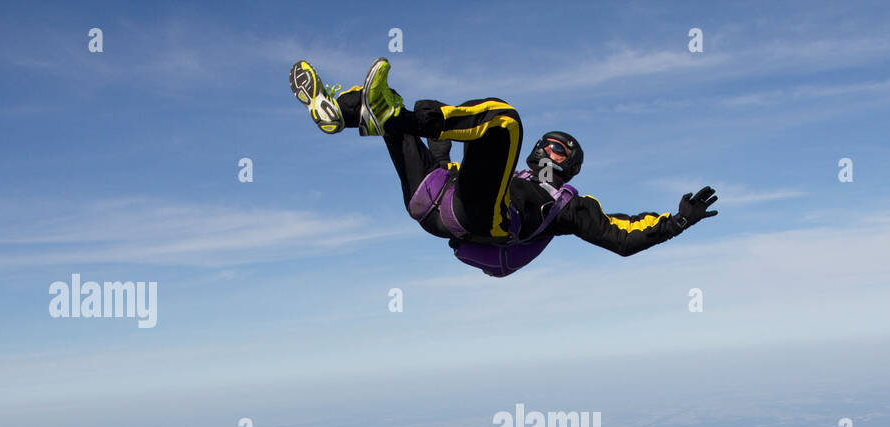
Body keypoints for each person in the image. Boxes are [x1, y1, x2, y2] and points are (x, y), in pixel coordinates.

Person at [289, 58, 718, 277]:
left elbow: (623, 237)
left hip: (485, 218)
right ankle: (336, 111)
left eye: (560, 150)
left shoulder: (569, 206)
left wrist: (678, 220)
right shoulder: (516, 175)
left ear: (573, 166)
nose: (549, 152)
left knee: (503, 120)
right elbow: (457, 151)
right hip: (432, 196)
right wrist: (439, 149)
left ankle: (385, 114)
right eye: (546, 145)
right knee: (392, 109)